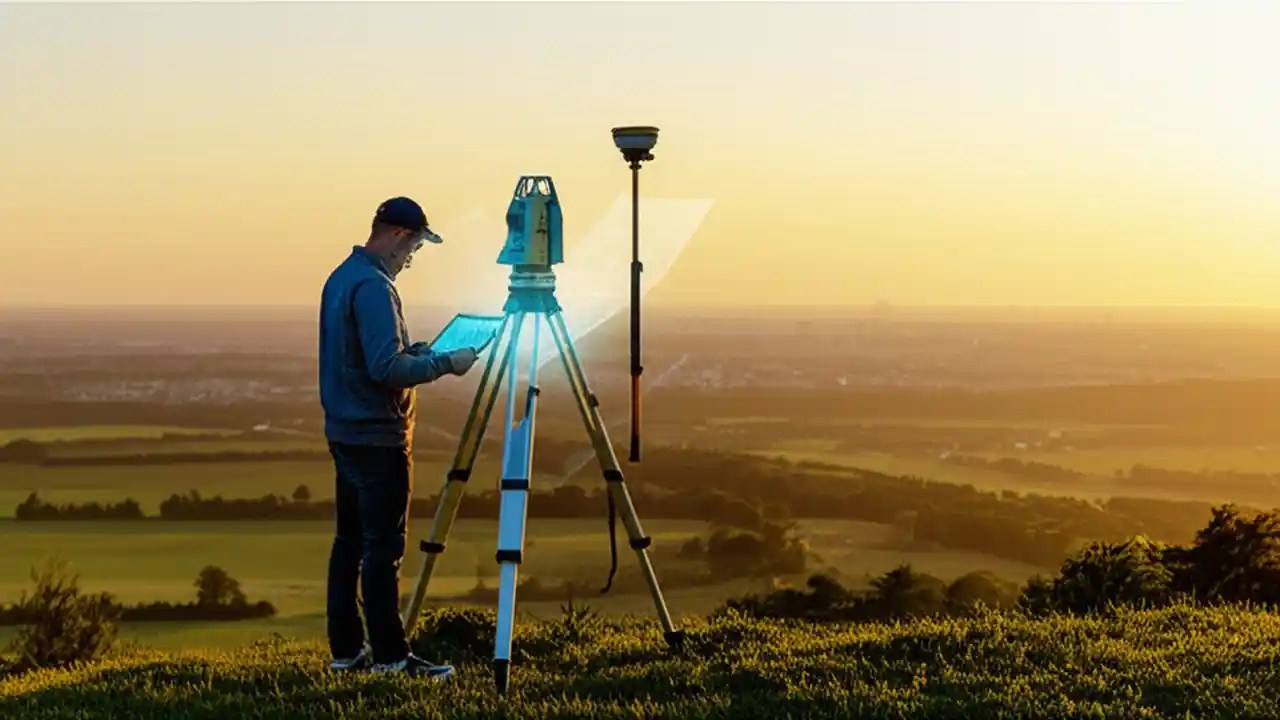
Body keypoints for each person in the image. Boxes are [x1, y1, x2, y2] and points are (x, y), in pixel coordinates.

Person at [317, 196, 480, 678]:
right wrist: (444, 364)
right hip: (377, 437)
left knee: (349, 543)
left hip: (345, 431)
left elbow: (366, 354)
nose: (412, 259)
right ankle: (391, 657)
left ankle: (346, 652)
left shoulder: (342, 277)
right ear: (398, 237)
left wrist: (418, 351)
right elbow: (386, 369)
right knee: (383, 549)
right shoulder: (374, 286)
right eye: (414, 248)